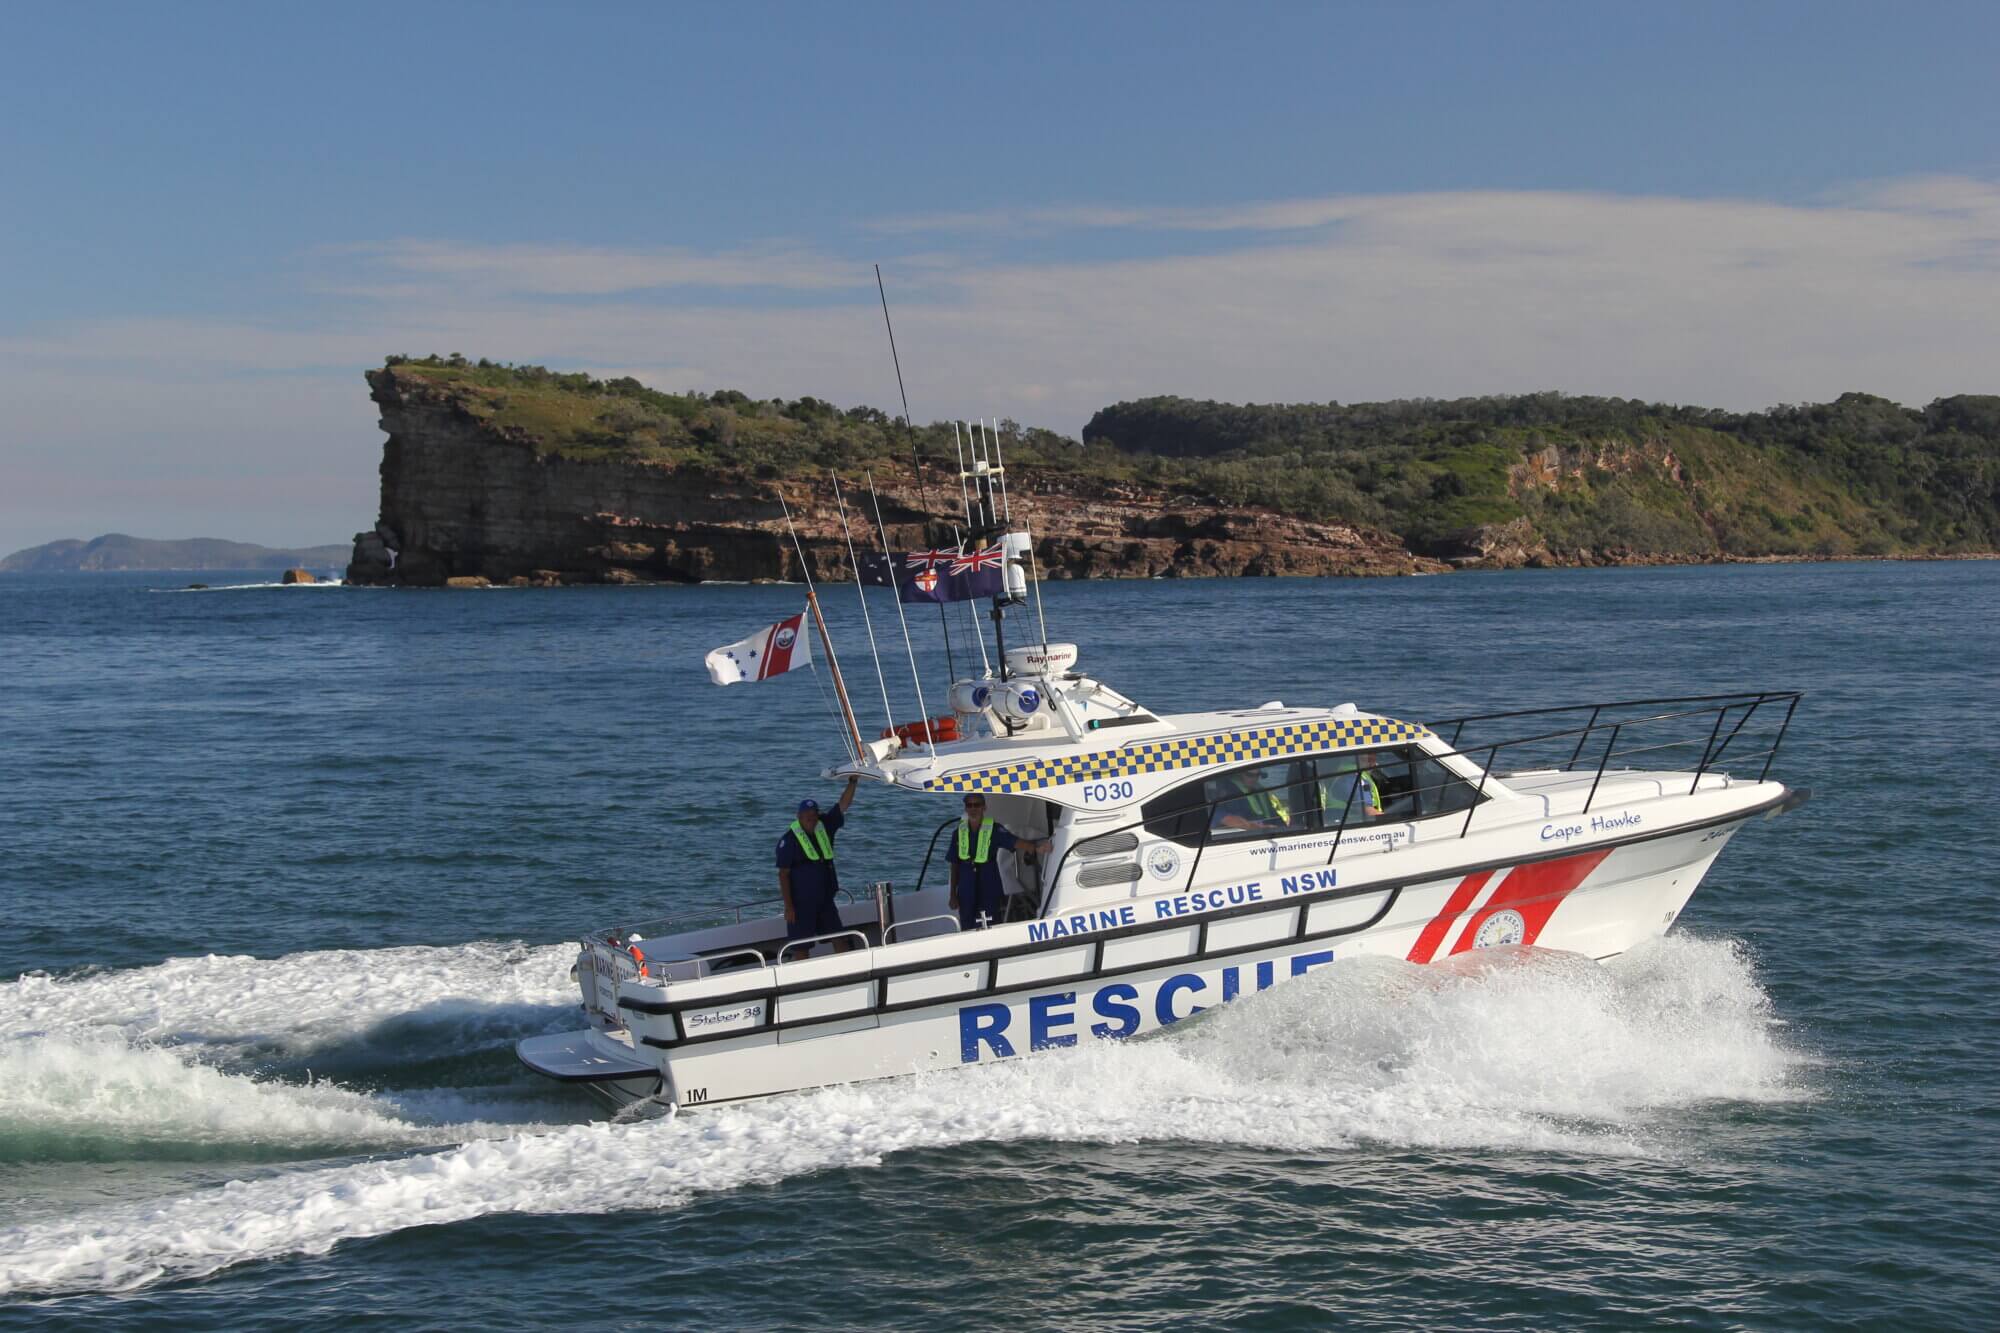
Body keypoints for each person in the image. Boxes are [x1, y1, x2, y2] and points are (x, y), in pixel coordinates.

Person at [776, 776, 859, 957]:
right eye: (806, 816)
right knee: (801, 947)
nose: (811, 819)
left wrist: (853, 782)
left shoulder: (825, 825)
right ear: (799, 817)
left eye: (814, 815)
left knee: (839, 938)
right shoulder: (789, 841)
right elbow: (783, 874)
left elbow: (843, 805)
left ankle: (848, 971)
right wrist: (789, 906)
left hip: (825, 900)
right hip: (800, 904)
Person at [947, 795, 1052, 930]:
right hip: (966, 884)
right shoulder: (958, 833)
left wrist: (1037, 848)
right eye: (969, 805)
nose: (973, 809)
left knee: (992, 920)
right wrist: (952, 895)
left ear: (984, 807)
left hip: (989, 881)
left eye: (977, 805)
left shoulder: (995, 830)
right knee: (966, 922)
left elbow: (1015, 841)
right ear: (966, 808)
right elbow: (954, 863)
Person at [1323, 752, 1384, 824]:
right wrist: (1390, 820)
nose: (1375, 763)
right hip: (1348, 826)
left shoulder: (1348, 774)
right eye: (1370, 758)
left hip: (1345, 824)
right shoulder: (1352, 778)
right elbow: (1367, 810)